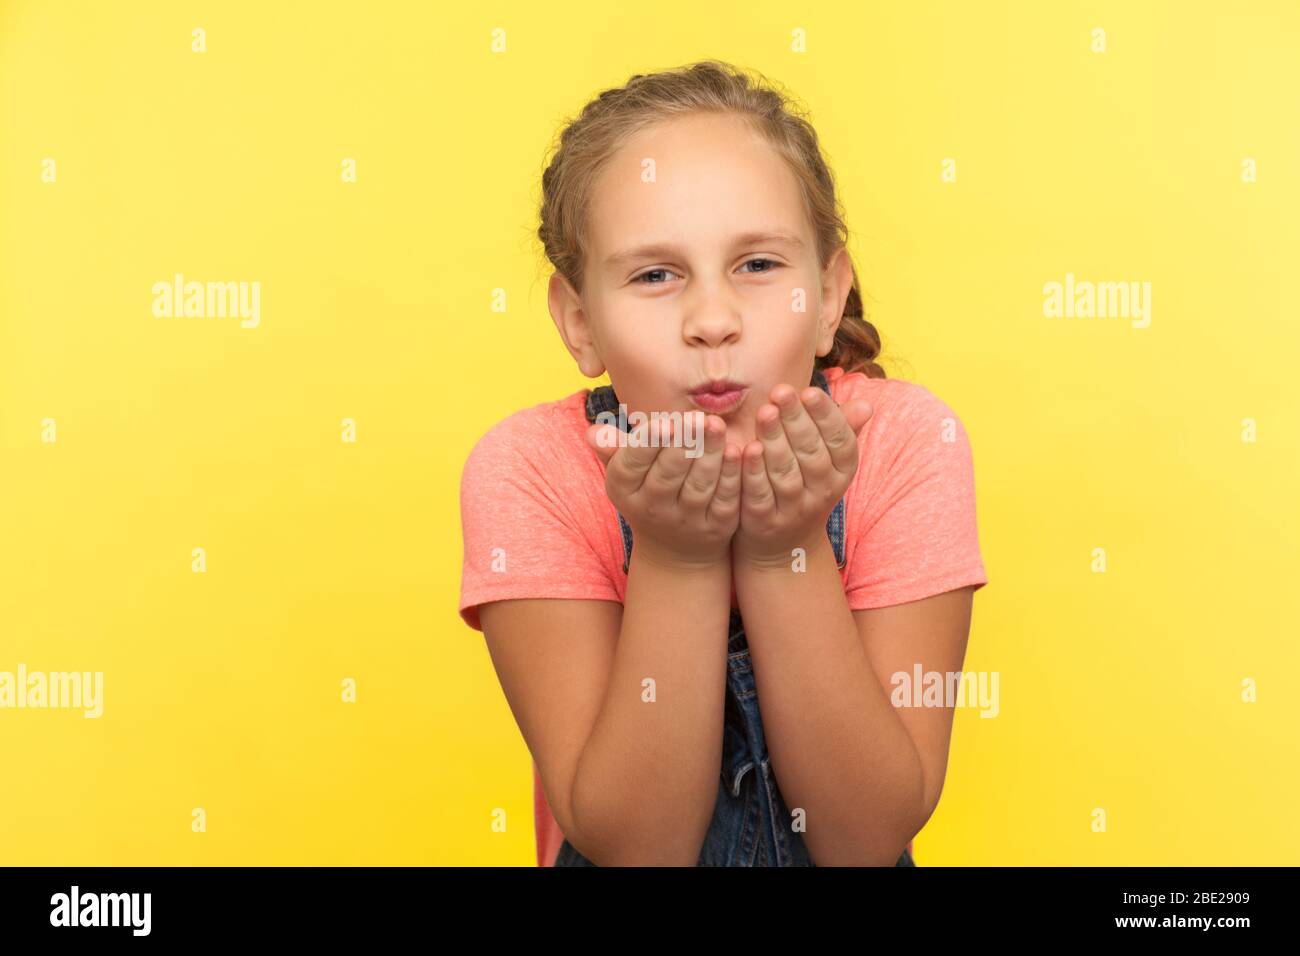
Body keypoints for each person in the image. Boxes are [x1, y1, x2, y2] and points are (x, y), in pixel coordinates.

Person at [459, 60, 988, 866]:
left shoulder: (908, 444)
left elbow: (867, 838)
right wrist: (676, 556)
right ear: (579, 323)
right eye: (656, 275)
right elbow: (637, 846)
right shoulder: (531, 470)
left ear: (829, 296)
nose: (713, 319)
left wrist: (786, 549)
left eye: (759, 265)